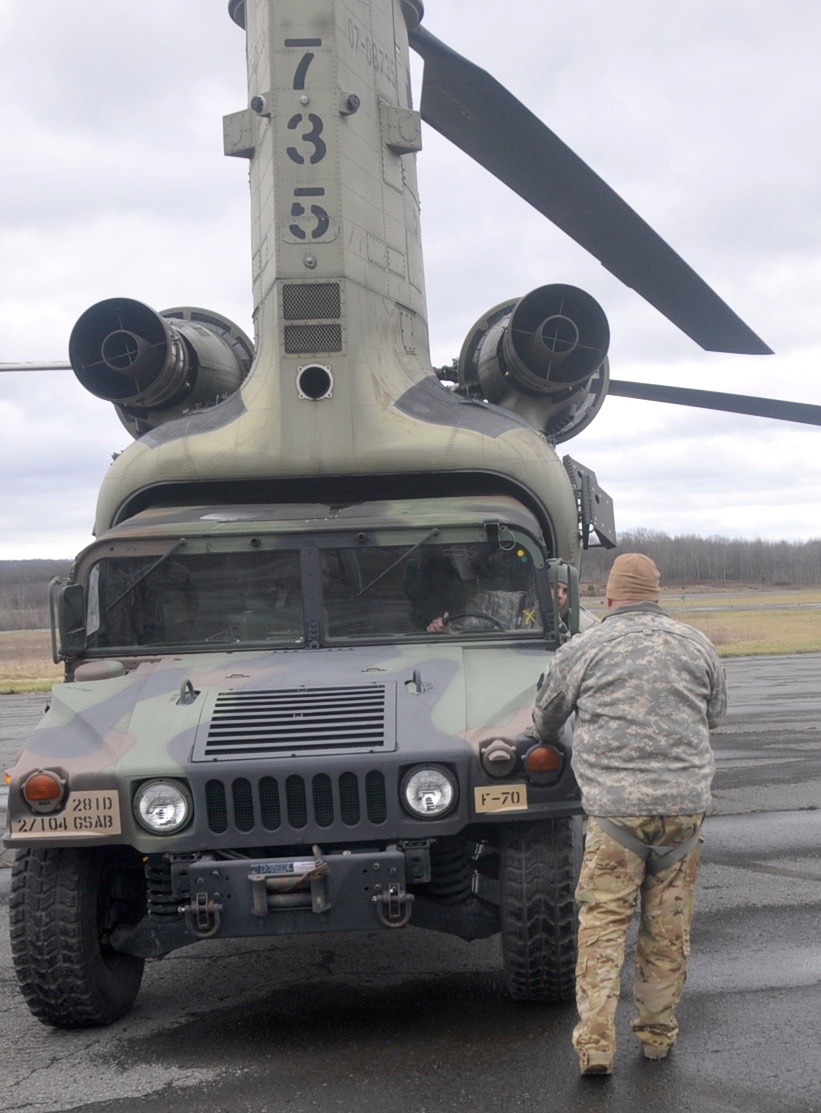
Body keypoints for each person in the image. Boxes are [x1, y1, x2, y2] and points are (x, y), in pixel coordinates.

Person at [529, 552, 727, 1076]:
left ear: (610, 597)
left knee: (602, 929)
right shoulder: (698, 644)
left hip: (616, 819)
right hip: (683, 815)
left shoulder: (584, 648)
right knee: (668, 930)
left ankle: (595, 1048)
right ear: (657, 595)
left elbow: (545, 720)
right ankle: (658, 1038)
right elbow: (715, 715)